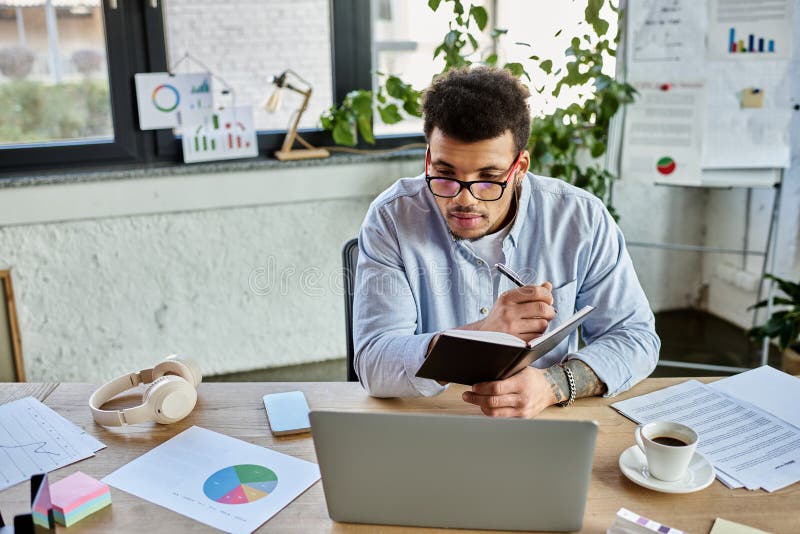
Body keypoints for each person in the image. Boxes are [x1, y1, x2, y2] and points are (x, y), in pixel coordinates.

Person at [352, 66, 659, 417]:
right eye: (445, 174)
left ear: (521, 166)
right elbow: (374, 364)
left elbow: (636, 338)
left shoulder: (581, 219)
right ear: (428, 159)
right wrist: (480, 335)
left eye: (489, 178)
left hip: (545, 421)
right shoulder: (392, 217)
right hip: (429, 419)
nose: (463, 200)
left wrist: (552, 385)